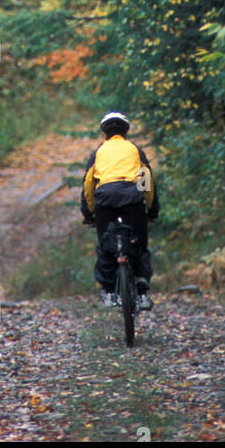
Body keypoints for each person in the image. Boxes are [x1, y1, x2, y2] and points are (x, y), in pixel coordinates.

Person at [80, 111, 159, 311]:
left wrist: (88, 212)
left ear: (104, 133)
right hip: (132, 196)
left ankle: (108, 292)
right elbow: (146, 179)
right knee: (139, 243)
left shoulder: (99, 151)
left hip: (105, 198)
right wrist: (151, 209)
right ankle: (142, 292)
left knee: (106, 244)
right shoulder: (134, 149)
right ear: (126, 132)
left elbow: (89, 183)